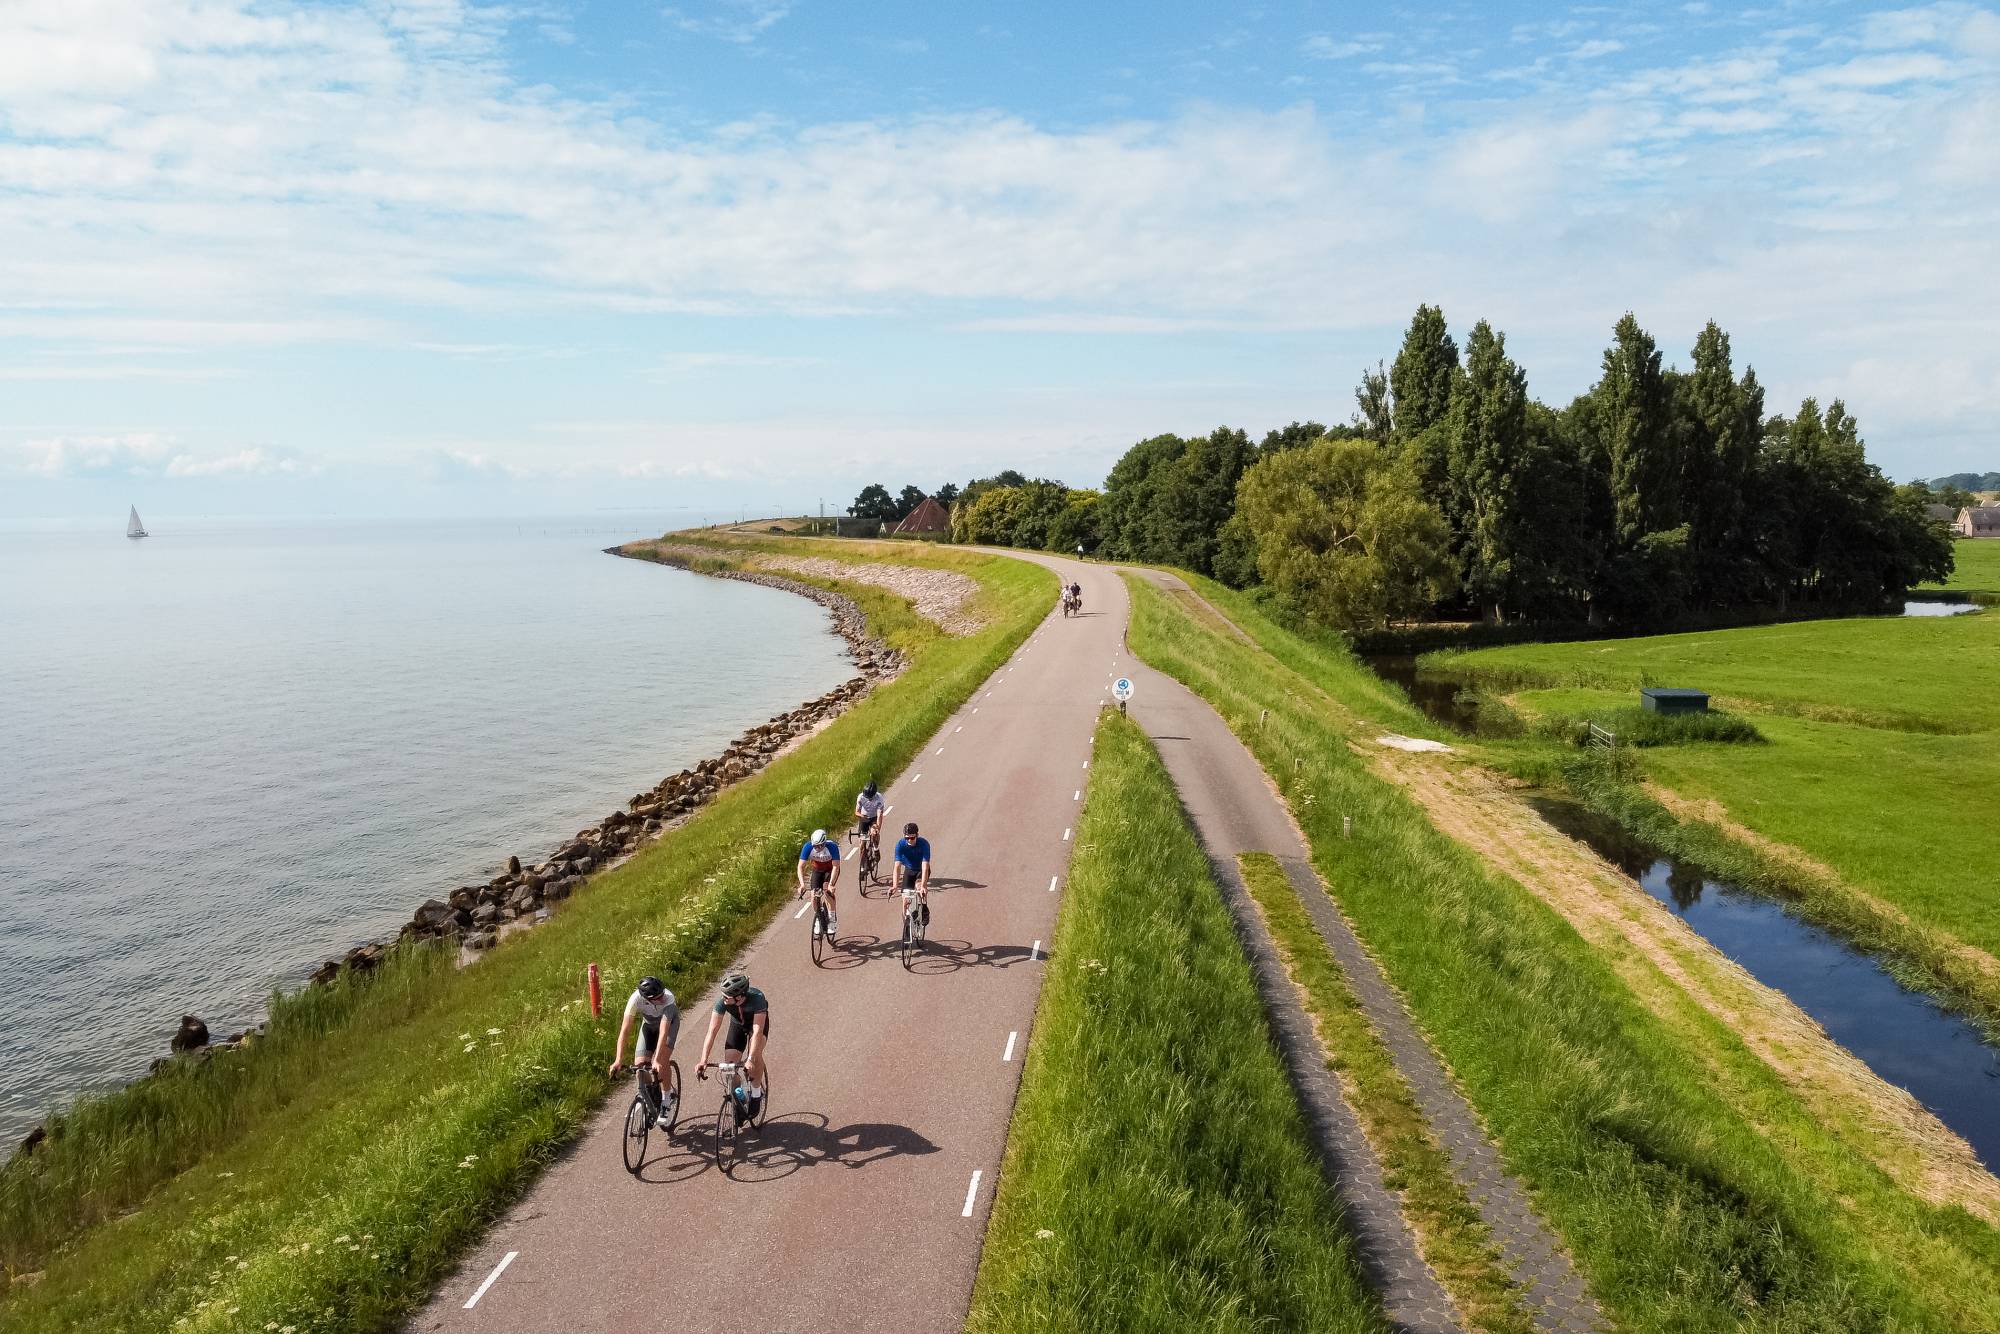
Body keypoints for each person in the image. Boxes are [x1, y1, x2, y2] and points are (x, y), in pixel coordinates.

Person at [696, 970, 768, 1120]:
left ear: (740, 996)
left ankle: (756, 1093)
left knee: (755, 1055)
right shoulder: (722, 1002)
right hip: (738, 1026)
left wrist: (750, 1059)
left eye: (726, 996)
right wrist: (703, 1060)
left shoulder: (758, 999)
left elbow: (756, 1032)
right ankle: (739, 1096)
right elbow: (712, 1031)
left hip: (756, 1026)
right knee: (729, 1066)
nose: (723, 998)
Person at [607, 976, 680, 1118]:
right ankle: (647, 1095)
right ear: (646, 999)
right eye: (658, 998)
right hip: (648, 1026)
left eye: (662, 995)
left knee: (662, 1062)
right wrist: (618, 1060)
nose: (662, 999)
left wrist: (657, 1059)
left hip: (669, 1026)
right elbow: (625, 1030)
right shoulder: (635, 1000)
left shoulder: (669, 999)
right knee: (639, 1066)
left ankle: (667, 1097)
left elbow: (664, 1032)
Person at [796, 827, 842, 937]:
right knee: (813, 896)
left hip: (830, 870)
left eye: (820, 845)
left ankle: (832, 919)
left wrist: (831, 884)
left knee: (827, 892)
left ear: (825, 842)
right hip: (817, 870)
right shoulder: (808, 847)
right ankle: (818, 919)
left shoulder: (832, 847)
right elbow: (800, 867)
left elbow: (836, 866)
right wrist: (802, 884)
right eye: (815, 846)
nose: (817, 848)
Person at [894, 820, 933, 925]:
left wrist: (924, 886)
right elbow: (897, 866)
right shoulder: (900, 845)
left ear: (917, 835)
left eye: (912, 838)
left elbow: (925, 866)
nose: (910, 840)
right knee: (905, 900)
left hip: (921, 869)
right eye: (907, 838)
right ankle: (906, 928)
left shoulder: (924, 844)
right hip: (909, 870)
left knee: (919, 887)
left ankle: (924, 907)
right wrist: (894, 886)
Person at [854, 781, 886, 847]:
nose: (868, 799)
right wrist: (862, 816)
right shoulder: (860, 797)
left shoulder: (879, 798)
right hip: (864, 818)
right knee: (862, 843)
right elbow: (857, 812)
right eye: (867, 797)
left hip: (874, 818)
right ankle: (863, 854)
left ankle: (875, 848)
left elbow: (879, 815)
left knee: (874, 833)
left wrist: (877, 828)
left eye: (870, 797)